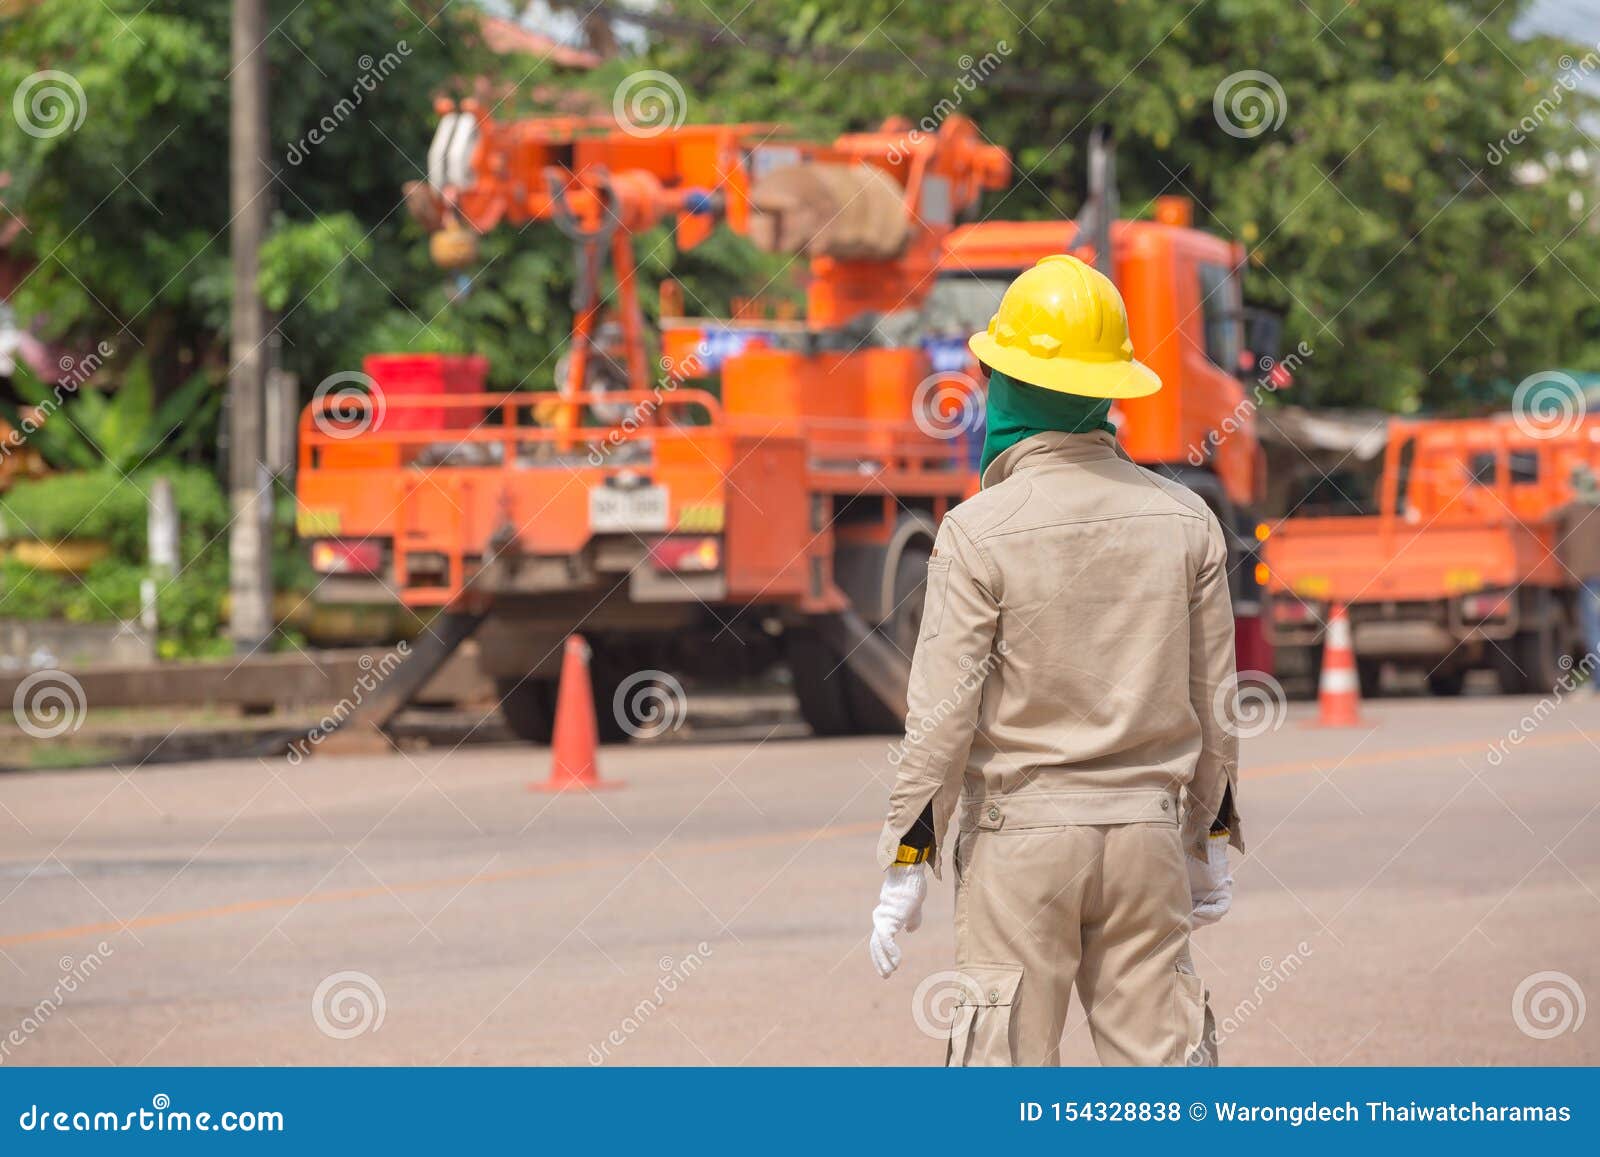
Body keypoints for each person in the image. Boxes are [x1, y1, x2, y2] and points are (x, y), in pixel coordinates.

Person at [867, 254, 1242, 1066]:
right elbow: (1217, 705)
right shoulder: (1187, 519)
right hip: (1146, 836)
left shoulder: (976, 531)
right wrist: (1208, 838)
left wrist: (908, 857)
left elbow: (941, 719)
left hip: (1022, 841)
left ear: (1008, 385)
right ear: (1110, 388)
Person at [1557, 462, 1600, 686]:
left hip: (1589, 579)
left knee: (1593, 630)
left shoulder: (1574, 509)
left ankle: (1598, 682)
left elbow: (1546, 518)